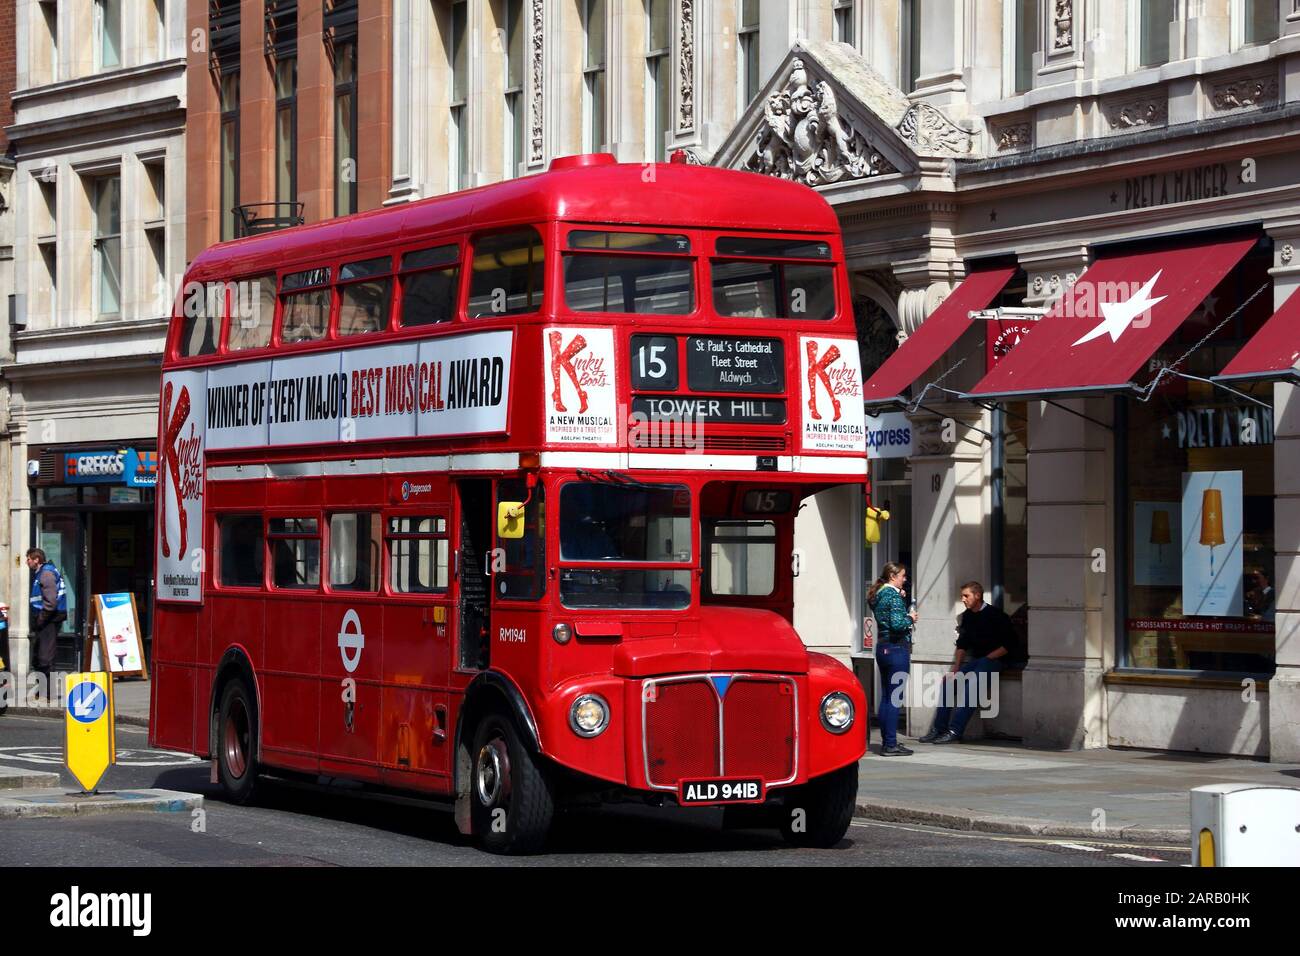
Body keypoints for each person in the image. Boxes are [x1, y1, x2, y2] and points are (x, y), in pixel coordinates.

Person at [921, 581, 1013, 744]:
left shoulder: (996, 615)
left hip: (994, 660)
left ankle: (955, 731)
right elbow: (962, 644)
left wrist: (989, 658)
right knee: (948, 683)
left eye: (966, 596)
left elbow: (1009, 645)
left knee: (972, 687)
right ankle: (938, 729)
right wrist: (955, 669)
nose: (963, 599)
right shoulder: (968, 616)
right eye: (962, 596)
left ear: (977, 596)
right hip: (977, 660)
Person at [869, 562, 916, 756]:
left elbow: (885, 613)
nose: (905, 579)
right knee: (894, 698)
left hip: (883, 648)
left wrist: (900, 598)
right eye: (903, 576)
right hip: (897, 649)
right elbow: (897, 624)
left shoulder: (879, 594)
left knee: (887, 697)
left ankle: (888, 742)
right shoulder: (893, 596)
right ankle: (890, 744)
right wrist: (911, 618)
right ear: (892, 576)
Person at [27, 548, 68, 688]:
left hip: (49, 619)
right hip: (45, 619)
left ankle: (48, 692)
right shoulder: (42, 573)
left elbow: (51, 602)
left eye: (29, 559)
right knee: (39, 657)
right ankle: (42, 690)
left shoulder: (46, 574)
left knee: (45, 657)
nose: (27, 562)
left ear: (36, 560)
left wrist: (41, 618)